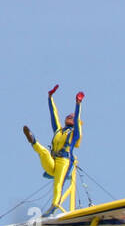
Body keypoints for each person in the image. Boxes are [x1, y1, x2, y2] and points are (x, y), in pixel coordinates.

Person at [23, 85, 84, 214]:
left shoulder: (75, 133)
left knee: (57, 184)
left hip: (64, 162)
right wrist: (50, 98)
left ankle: (54, 206)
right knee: (44, 152)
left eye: (71, 117)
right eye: (68, 116)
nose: (69, 116)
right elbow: (53, 114)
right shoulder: (58, 130)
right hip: (53, 161)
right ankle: (32, 139)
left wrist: (78, 104)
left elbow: (77, 117)